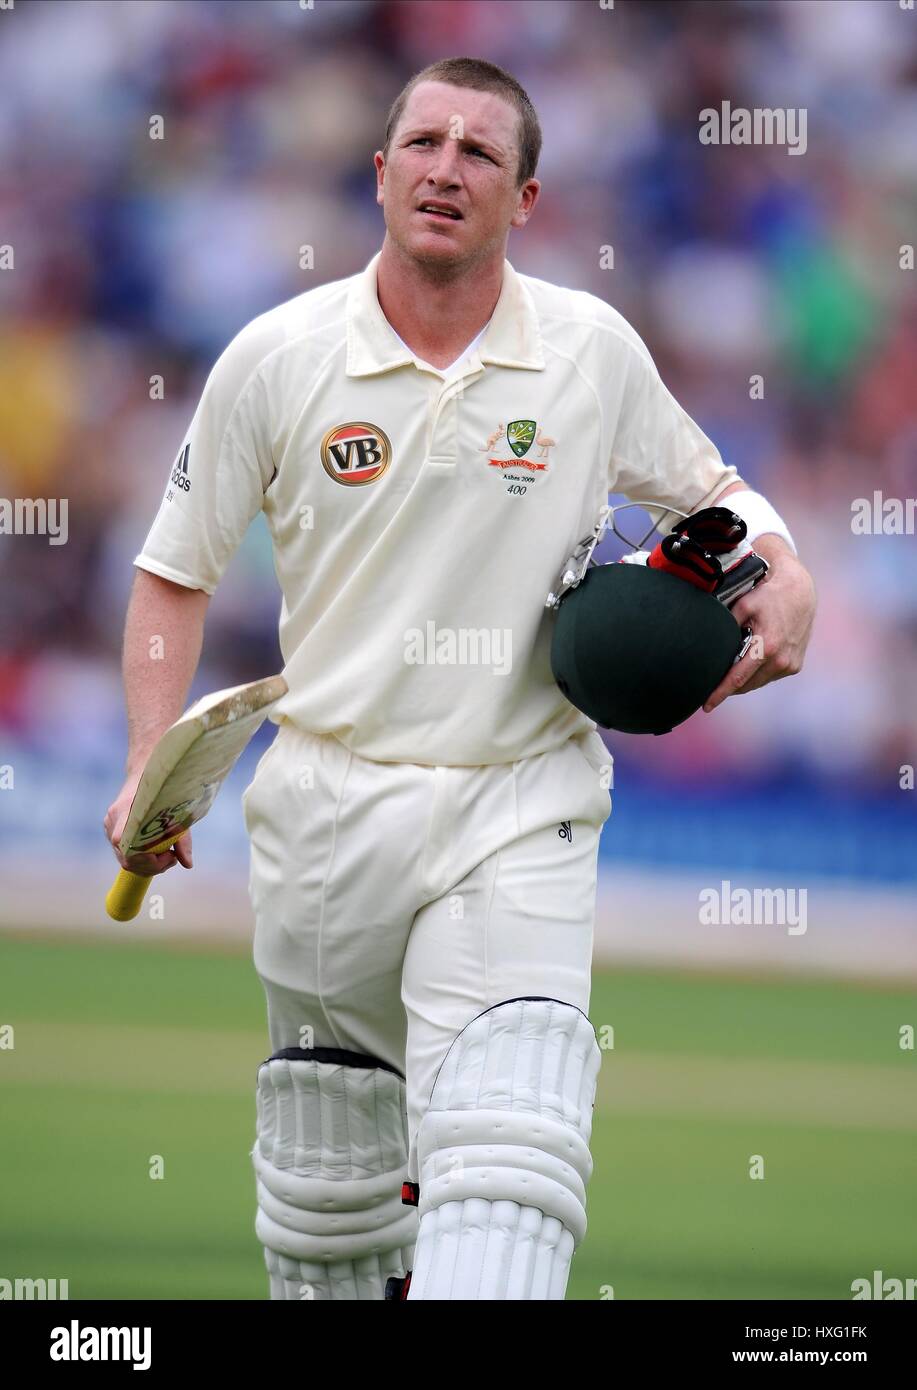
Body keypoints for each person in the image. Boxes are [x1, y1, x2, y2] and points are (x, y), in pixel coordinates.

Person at [105, 56, 816, 1301]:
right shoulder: (276, 357)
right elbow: (173, 577)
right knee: (331, 1223)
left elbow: (712, 493)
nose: (446, 168)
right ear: (379, 173)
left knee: (506, 1164)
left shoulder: (589, 350)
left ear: (526, 199)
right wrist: (148, 763)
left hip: (516, 802)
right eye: (422, 143)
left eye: (480, 153)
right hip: (326, 815)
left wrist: (782, 565)